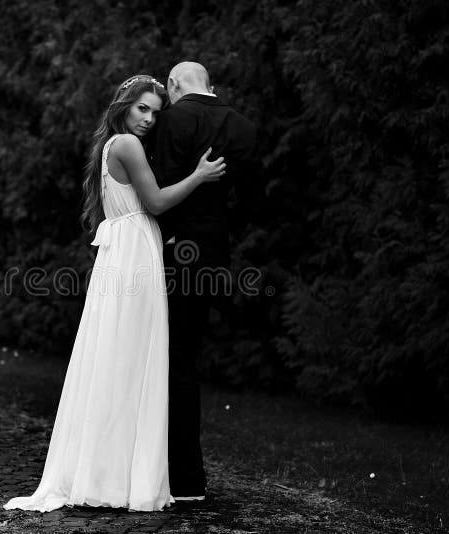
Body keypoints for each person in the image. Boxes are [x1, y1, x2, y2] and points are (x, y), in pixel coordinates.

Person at [3, 74, 226, 512]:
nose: (149, 119)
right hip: (134, 255)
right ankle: (121, 474)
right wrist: (199, 175)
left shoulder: (111, 146)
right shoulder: (126, 145)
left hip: (126, 252)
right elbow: (156, 202)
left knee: (121, 355)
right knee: (134, 355)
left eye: (155, 113)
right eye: (142, 108)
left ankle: (111, 471)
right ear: (123, 105)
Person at [151, 61, 259, 501]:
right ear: (211, 85)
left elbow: (159, 189)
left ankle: (175, 477)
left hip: (170, 251)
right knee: (187, 357)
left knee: (168, 359)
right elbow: (250, 200)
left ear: (173, 84)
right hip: (213, 255)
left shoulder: (173, 119)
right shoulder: (243, 127)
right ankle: (187, 478)